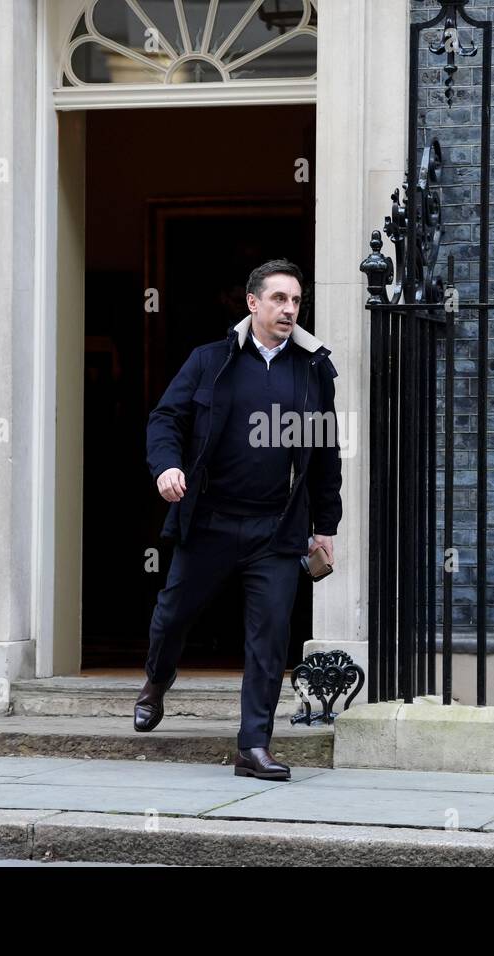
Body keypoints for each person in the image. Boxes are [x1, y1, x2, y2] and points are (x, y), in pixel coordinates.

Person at [138, 259, 342, 781]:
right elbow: (167, 418)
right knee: (172, 615)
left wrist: (326, 525)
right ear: (253, 303)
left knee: (270, 637)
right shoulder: (211, 361)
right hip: (208, 521)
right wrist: (167, 466)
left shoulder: (312, 369)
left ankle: (254, 746)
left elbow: (324, 453)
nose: (289, 310)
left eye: (296, 301)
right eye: (279, 299)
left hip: (276, 530)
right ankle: (157, 681)